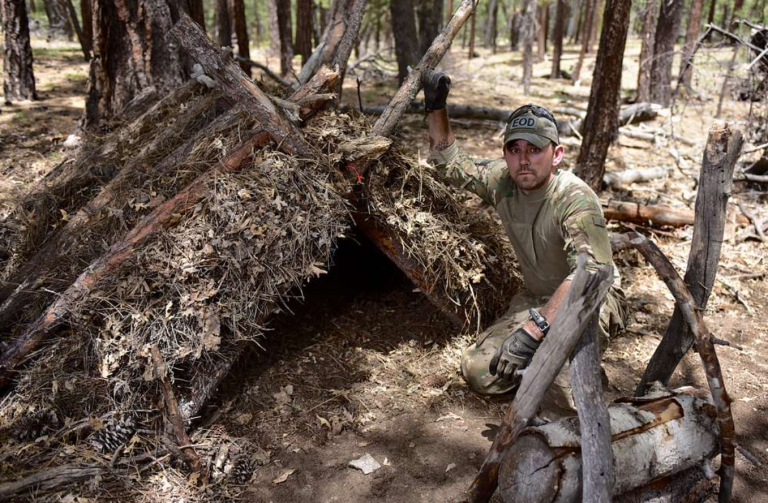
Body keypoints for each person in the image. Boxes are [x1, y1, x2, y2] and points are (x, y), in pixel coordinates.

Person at [422, 71, 627, 415]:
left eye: (535, 149)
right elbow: (449, 163)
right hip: (536, 298)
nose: (524, 159)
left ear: (557, 154)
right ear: (505, 154)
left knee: (558, 390)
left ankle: (567, 372)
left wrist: (535, 329)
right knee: (481, 372)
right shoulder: (503, 181)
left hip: (592, 300)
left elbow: (592, 272)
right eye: (514, 149)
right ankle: (546, 364)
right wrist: (435, 105)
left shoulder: (574, 198)